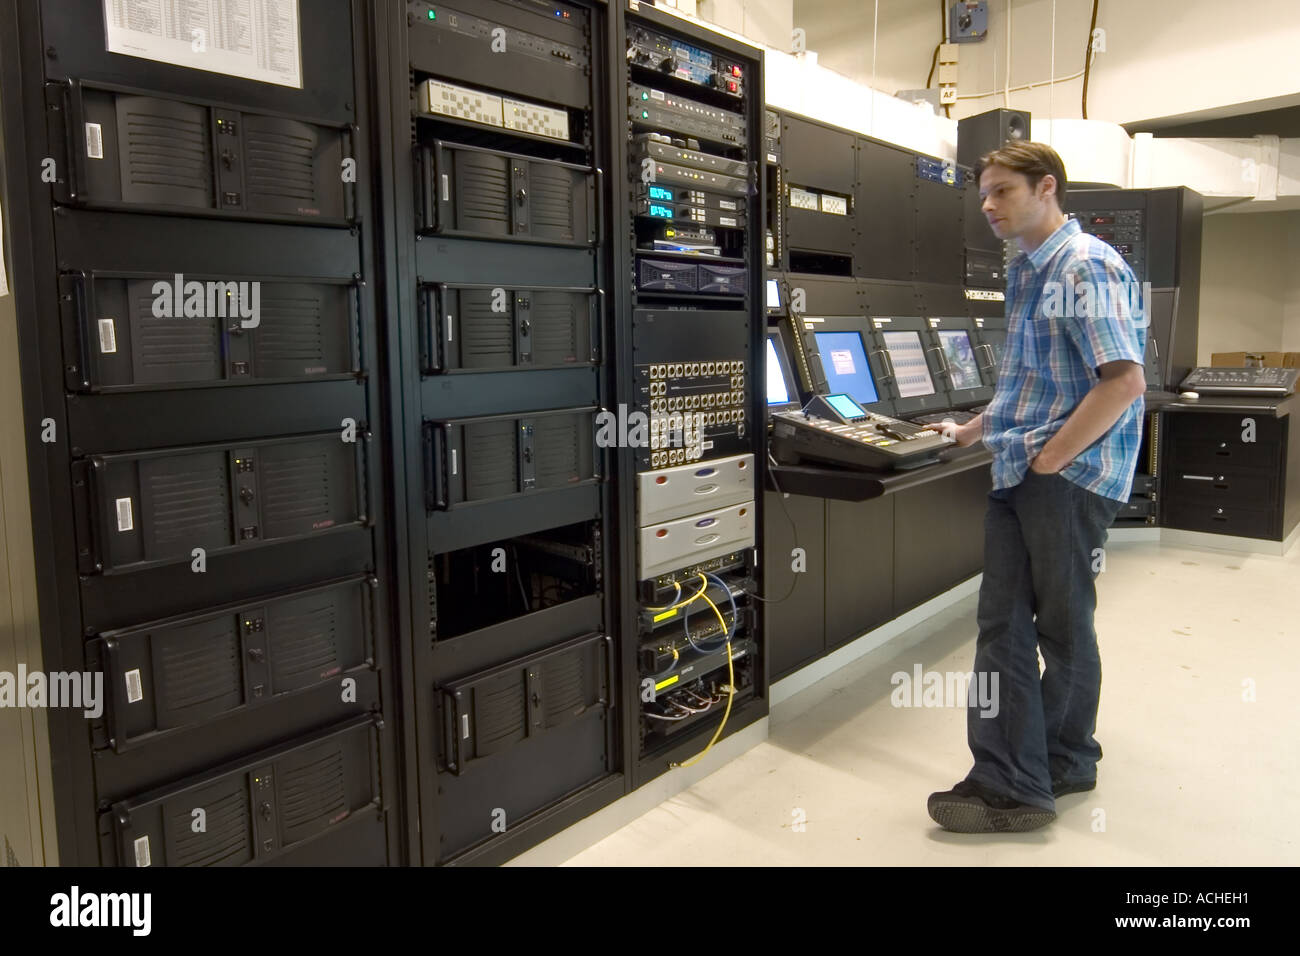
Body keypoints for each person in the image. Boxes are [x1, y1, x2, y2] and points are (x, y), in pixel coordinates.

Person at [927, 141, 1147, 833]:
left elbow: (1124, 381)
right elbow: (1035, 380)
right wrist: (973, 429)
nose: (988, 206)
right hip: (1025, 465)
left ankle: (1012, 783)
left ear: (1045, 187)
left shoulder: (1085, 268)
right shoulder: (1029, 268)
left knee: (1032, 625)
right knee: (1032, 622)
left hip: (1062, 476)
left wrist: (1051, 459)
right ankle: (1063, 757)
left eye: (1001, 191)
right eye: (983, 194)